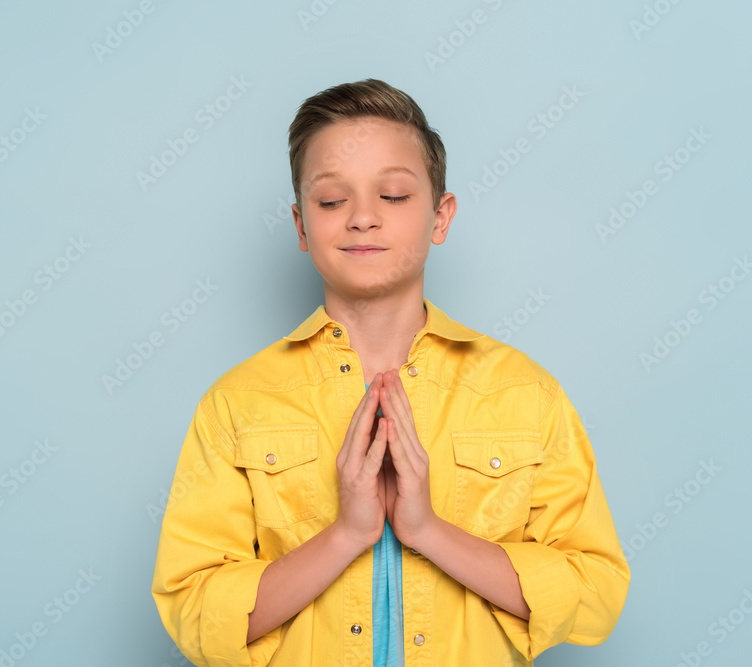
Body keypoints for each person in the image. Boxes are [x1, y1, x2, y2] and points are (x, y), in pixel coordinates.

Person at [151, 78, 630, 666]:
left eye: (395, 196)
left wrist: (426, 529)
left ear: (441, 216)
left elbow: (595, 591)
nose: (362, 219)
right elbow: (195, 612)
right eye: (332, 201)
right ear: (302, 226)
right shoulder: (237, 403)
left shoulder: (524, 394)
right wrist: (346, 534)